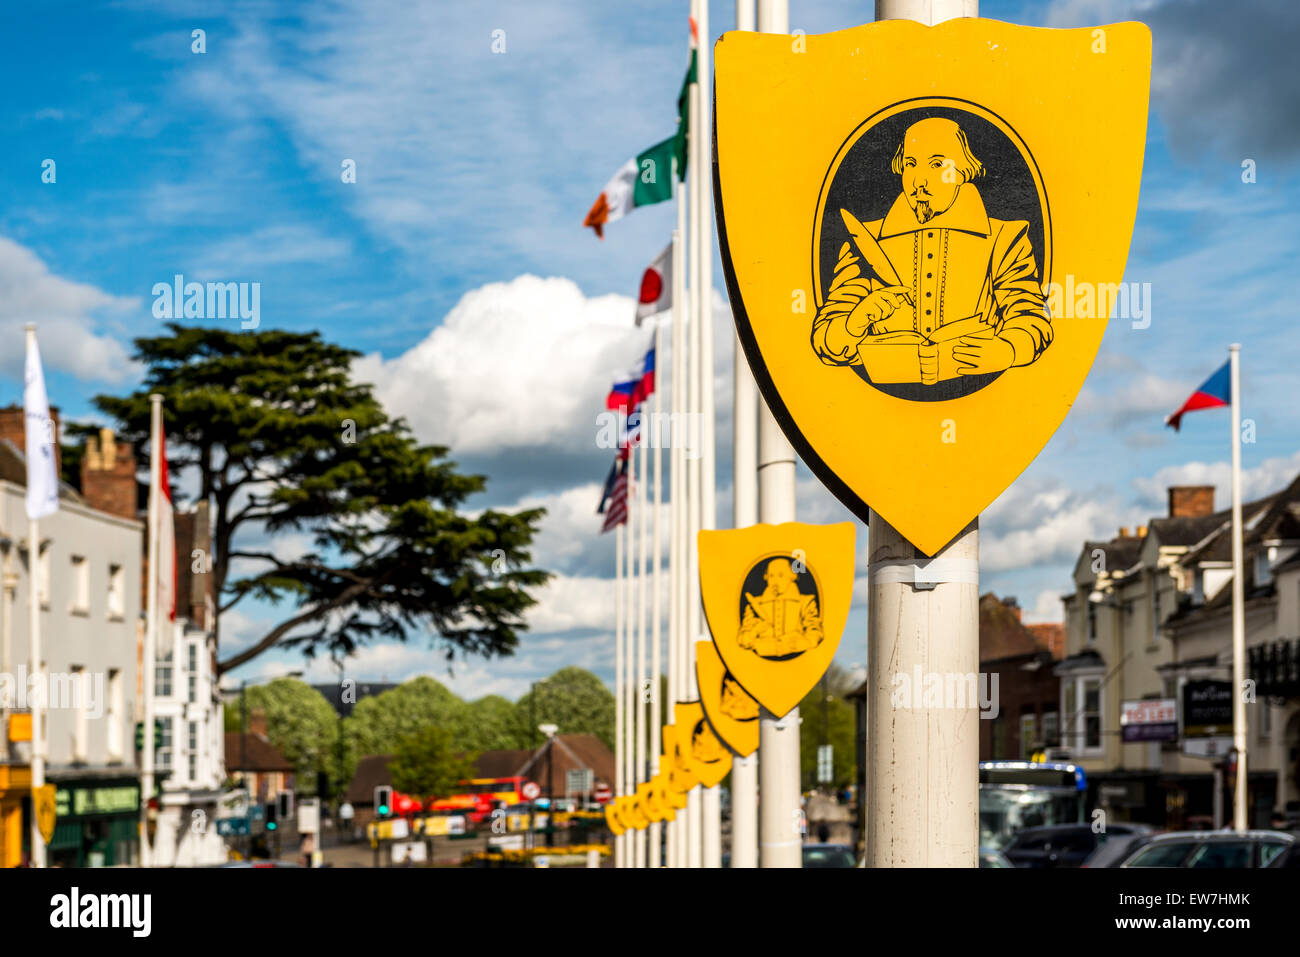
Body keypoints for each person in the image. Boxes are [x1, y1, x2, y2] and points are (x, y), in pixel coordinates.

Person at [812, 117, 1052, 385]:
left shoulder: (1004, 239)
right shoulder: (865, 239)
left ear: (963, 171)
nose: (919, 181)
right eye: (910, 164)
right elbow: (824, 338)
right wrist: (852, 325)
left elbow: (1031, 318)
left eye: (937, 164)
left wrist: (1008, 350)